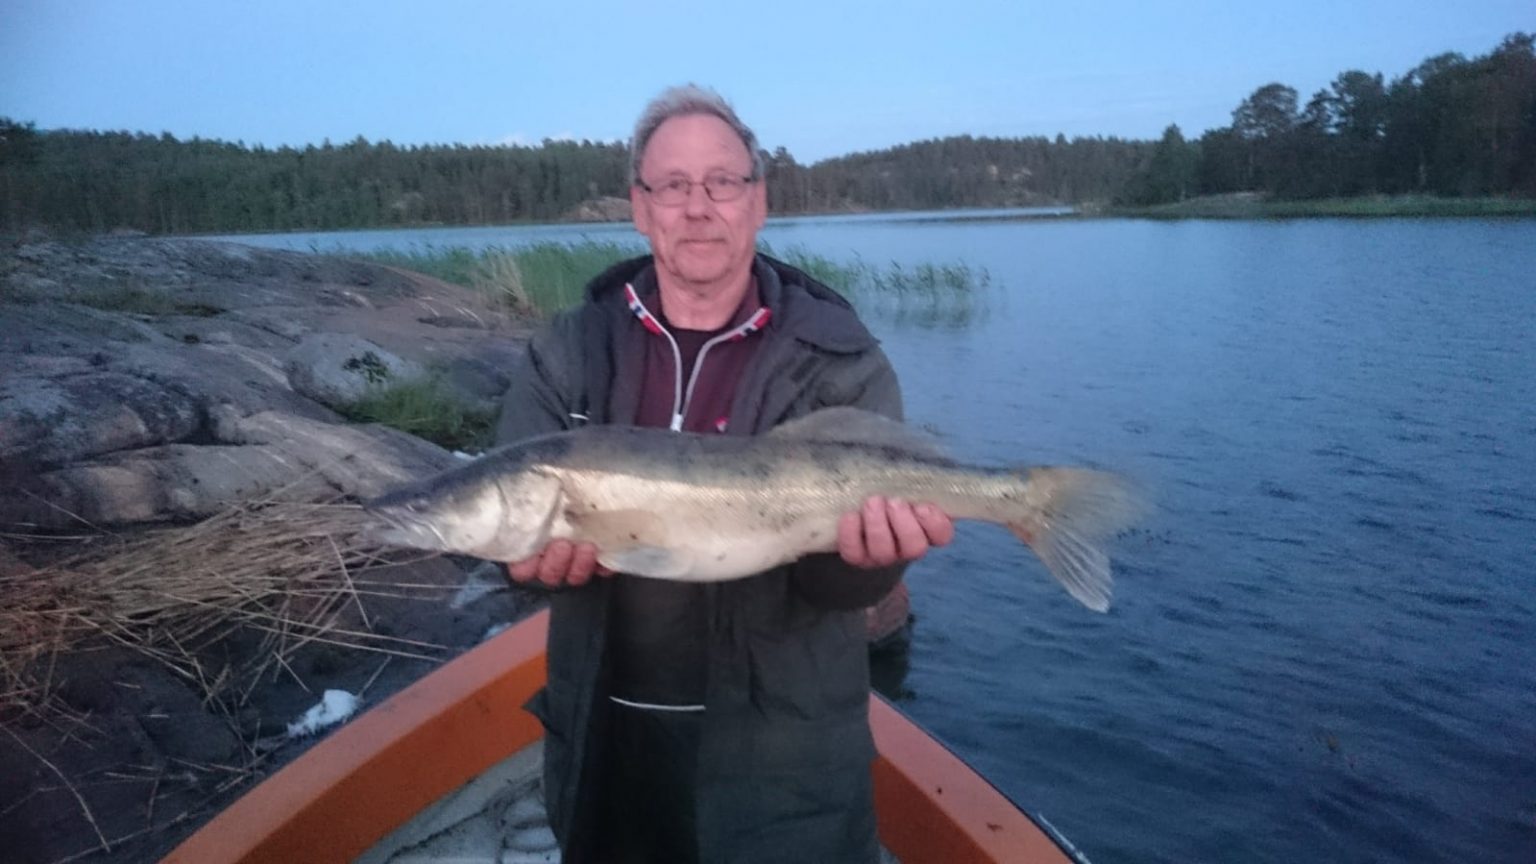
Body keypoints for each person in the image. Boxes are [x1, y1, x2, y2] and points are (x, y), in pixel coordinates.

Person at [494, 83, 954, 864]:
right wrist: (530, 570)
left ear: (758, 201)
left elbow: (840, 593)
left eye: (723, 182)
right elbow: (513, 545)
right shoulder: (566, 350)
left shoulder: (841, 359)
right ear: (640, 207)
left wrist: (874, 563)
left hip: (783, 767)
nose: (698, 206)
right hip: (607, 748)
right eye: (673, 186)